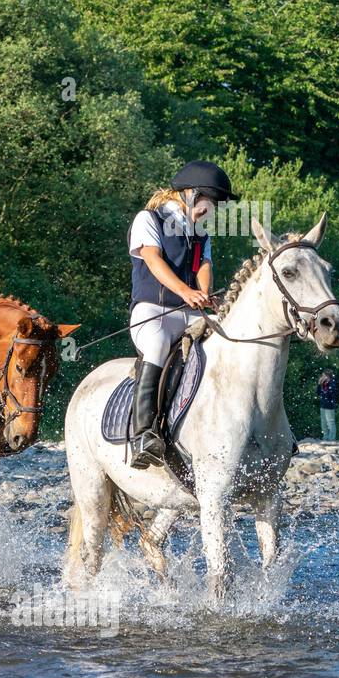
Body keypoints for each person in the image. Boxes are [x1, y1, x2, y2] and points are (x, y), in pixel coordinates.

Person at [126, 160, 233, 469]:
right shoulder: (149, 219)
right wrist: (185, 292)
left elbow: (203, 266)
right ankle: (143, 433)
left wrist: (203, 293)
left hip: (190, 314)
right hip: (152, 312)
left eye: (214, 205)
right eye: (208, 202)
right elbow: (153, 260)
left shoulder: (201, 232)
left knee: (229, 344)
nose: (210, 210)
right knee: (158, 344)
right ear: (189, 194)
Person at [318, 369, 339, 441]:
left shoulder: (332, 383)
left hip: (329, 406)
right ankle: (325, 437)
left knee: (330, 423)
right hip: (323, 405)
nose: (322, 377)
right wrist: (319, 384)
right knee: (323, 423)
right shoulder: (323, 384)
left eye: (324, 376)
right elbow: (318, 392)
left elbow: (329, 394)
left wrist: (323, 392)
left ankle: (331, 438)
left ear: (327, 376)